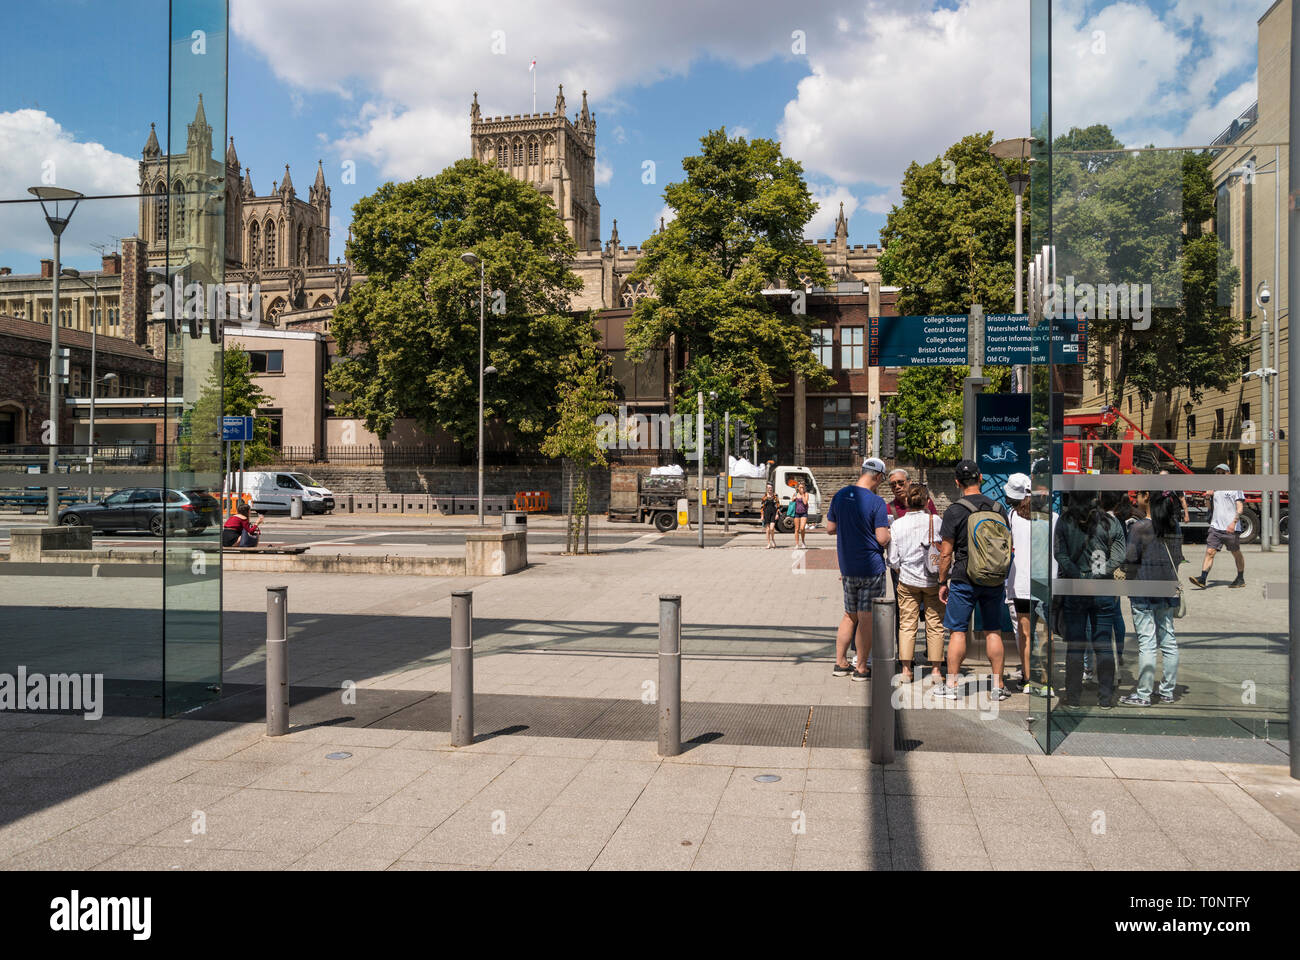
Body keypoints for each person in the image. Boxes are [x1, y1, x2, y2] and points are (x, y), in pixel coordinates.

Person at [935, 460, 1012, 701]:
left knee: (957, 631)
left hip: (964, 578)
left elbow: (946, 553)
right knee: (993, 630)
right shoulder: (998, 508)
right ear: (980, 478)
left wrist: (941, 581)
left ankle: (952, 685)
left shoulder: (955, 510)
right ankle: (998, 686)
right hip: (994, 579)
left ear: (957, 482)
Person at [1054, 491, 1124, 708]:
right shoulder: (1110, 522)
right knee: (1103, 644)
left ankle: (1073, 697)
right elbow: (1119, 556)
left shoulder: (1065, 521)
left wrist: (1079, 574)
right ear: (1096, 498)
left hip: (1074, 590)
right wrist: (1097, 573)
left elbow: (1060, 554)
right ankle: (1105, 698)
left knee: (1075, 646)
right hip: (1102, 590)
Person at [826, 457, 891, 681]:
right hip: (871, 568)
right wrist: (890, 534)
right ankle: (861, 668)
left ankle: (840, 662)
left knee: (849, 616)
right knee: (866, 619)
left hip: (848, 566)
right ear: (878, 476)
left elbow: (830, 528)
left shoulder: (840, 495)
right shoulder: (876, 502)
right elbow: (882, 538)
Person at [1119, 490, 1182, 706]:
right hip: (1167, 588)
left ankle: (1144, 694)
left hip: (1143, 589)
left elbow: (1130, 558)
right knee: (1168, 638)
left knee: (1147, 641)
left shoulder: (1139, 528)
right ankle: (1167, 691)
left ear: (1149, 500)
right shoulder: (1175, 526)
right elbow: (1177, 558)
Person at [887, 481, 944, 683]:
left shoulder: (897, 524)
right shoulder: (936, 521)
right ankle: (936, 671)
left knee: (907, 624)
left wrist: (901, 569)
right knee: (935, 624)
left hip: (907, 580)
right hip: (932, 581)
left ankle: (906, 670)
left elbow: (893, 559)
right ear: (927, 500)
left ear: (907, 501)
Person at [1188, 464, 1245, 589]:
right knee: (1210, 552)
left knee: (1236, 553)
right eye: (1217, 473)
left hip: (1231, 528)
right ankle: (1202, 579)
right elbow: (1209, 508)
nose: (1219, 475)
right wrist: (1208, 496)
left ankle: (1240, 578)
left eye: (1222, 473)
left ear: (1228, 473)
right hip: (1215, 527)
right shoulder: (1215, 488)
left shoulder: (1235, 487)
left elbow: (1240, 508)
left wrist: (1234, 522)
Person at [1003, 473, 1034, 692]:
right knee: (1044, 634)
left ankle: (1027, 676)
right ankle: (1040, 675)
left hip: (1020, 582)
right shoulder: (1051, 515)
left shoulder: (1011, 516)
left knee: (1023, 632)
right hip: (1044, 581)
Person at [761, 484, 780, 549]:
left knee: (772, 528)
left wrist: (777, 514)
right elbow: (762, 507)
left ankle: (773, 539)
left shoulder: (775, 496)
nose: (770, 489)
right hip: (766, 513)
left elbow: (778, 506)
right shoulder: (764, 497)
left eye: (771, 487)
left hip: (773, 513)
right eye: (768, 488)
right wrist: (762, 515)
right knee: (767, 529)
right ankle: (768, 543)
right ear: (767, 488)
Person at [792, 481, 810, 549]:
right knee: (796, 529)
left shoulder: (806, 494)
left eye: (803, 487)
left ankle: (803, 542)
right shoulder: (795, 494)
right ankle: (797, 544)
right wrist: (793, 498)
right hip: (796, 513)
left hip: (804, 513)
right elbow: (792, 501)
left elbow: (805, 503)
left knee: (802, 528)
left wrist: (802, 495)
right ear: (798, 488)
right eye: (800, 487)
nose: (801, 488)